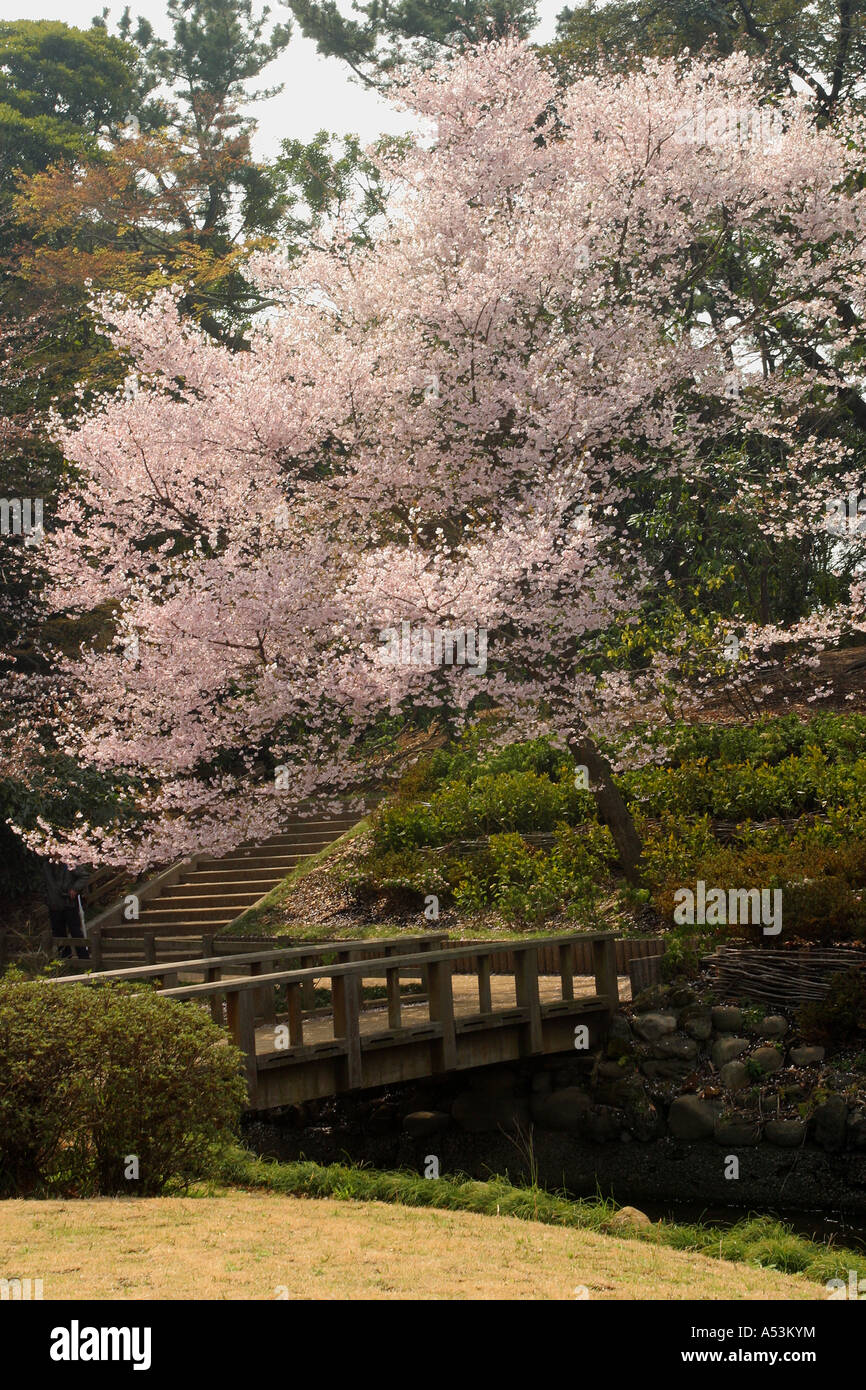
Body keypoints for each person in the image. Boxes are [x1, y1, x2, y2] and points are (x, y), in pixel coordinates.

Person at [42, 861, 91, 961]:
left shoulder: (69, 861)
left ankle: (83, 958)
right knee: (58, 932)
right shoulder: (46, 865)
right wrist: (46, 897)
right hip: (53, 903)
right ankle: (65, 959)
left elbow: (84, 876)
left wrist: (75, 888)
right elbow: (44, 883)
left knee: (75, 931)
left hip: (69, 902)